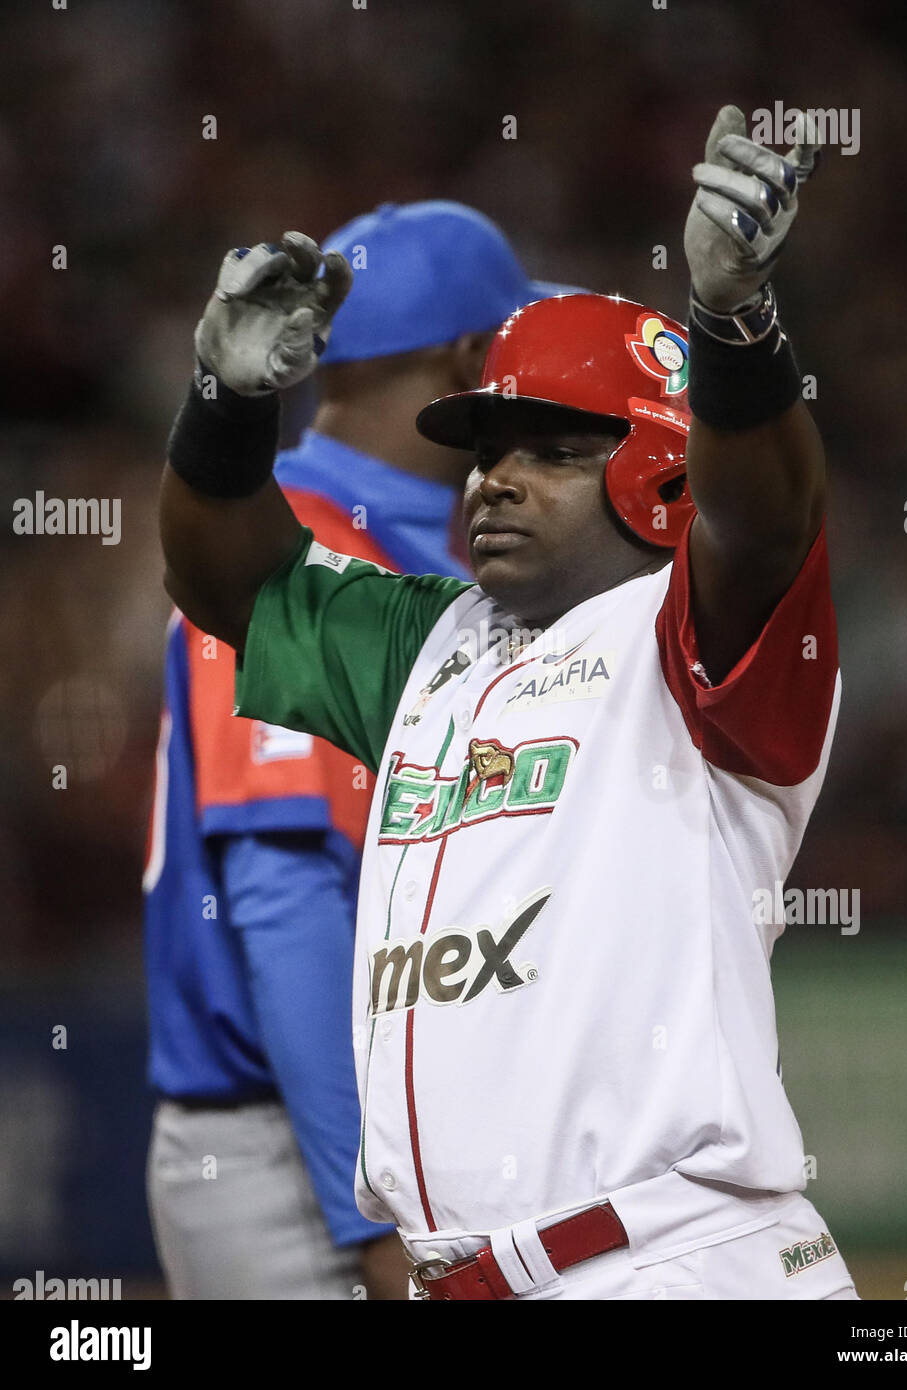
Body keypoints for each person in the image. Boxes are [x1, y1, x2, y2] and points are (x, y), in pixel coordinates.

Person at [157, 107, 859, 1300]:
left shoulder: (699, 636)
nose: (494, 478)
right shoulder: (425, 641)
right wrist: (224, 410)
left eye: (548, 449)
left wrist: (734, 322)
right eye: (485, 448)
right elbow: (224, 578)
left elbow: (765, 513)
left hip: (674, 1263)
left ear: (657, 467)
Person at [143, 201, 573, 1299]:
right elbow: (286, 898)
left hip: (406, 1142)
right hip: (297, 1148)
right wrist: (369, 1218)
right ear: (475, 355)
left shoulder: (436, 545)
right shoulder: (294, 534)